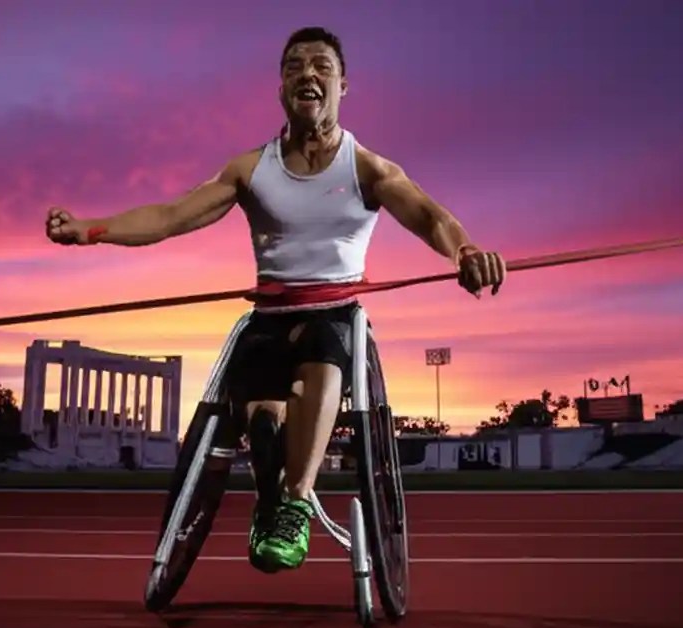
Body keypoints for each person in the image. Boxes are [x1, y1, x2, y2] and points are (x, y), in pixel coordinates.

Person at [45, 27, 506, 573]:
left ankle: (295, 503)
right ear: (281, 87)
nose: (307, 73)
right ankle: (269, 497)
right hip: (269, 318)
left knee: (321, 362)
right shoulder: (251, 169)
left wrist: (464, 252)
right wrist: (90, 230)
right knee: (262, 420)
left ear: (342, 85)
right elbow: (169, 216)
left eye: (321, 65)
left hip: (333, 317)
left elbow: (430, 216)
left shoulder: (367, 168)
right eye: (294, 66)